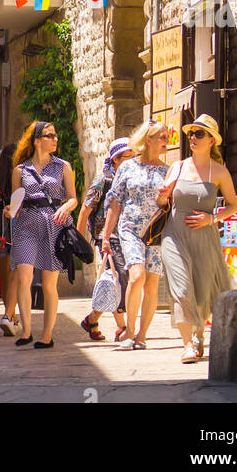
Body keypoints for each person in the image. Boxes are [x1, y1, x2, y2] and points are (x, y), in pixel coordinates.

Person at [158, 114, 237, 363]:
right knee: (181, 288)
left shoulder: (220, 172)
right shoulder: (177, 167)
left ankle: (199, 332)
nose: (192, 137)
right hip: (175, 235)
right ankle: (188, 344)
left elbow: (233, 206)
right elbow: (161, 203)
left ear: (211, 141)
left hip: (205, 237)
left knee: (202, 292)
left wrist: (212, 219)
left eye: (199, 134)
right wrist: (164, 195)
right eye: (191, 133)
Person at [10, 120, 78, 350]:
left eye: (56, 135)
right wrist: (9, 211)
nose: (55, 139)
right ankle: (27, 330)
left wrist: (65, 208)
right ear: (37, 140)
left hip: (54, 225)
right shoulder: (20, 170)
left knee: (49, 284)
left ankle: (47, 334)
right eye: (50, 135)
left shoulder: (63, 166)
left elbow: (73, 198)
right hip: (26, 225)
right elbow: (16, 201)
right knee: (24, 278)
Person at [101, 120, 169, 350]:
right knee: (137, 276)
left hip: (156, 232)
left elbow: (169, 205)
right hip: (130, 228)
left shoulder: (167, 171)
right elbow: (115, 202)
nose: (166, 141)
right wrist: (106, 235)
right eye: (161, 136)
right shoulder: (128, 167)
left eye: (167, 136)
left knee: (152, 283)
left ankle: (142, 335)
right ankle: (129, 330)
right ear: (147, 139)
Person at [77, 138, 134, 342]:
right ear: (116, 159)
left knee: (115, 280)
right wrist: (79, 241)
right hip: (106, 237)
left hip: (127, 235)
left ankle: (92, 320)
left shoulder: (129, 178)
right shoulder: (103, 180)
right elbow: (85, 210)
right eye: (129, 157)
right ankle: (122, 328)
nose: (133, 160)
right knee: (118, 278)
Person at [0, 143, 20, 337]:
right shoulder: (21, 178)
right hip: (14, 230)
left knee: (5, 278)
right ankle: (8, 315)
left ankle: (10, 315)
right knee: (16, 275)